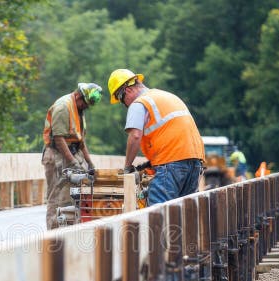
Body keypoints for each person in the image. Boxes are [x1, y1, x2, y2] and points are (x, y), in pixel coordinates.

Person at [108, 69, 204, 205]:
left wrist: (127, 167)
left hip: (171, 162)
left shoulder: (139, 103)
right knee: (184, 213)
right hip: (195, 162)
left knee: (157, 214)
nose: (125, 105)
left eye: (122, 101)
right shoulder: (166, 96)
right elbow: (171, 133)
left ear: (126, 90)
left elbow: (135, 136)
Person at [42, 82, 103, 229]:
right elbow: (59, 138)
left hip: (73, 152)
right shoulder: (63, 107)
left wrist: (90, 163)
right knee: (57, 197)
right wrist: (73, 162)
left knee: (74, 196)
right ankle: (53, 235)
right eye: (85, 104)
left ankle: (70, 231)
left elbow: (80, 141)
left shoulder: (79, 110)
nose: (86, 107)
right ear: (78, 96)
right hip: (58, 155)